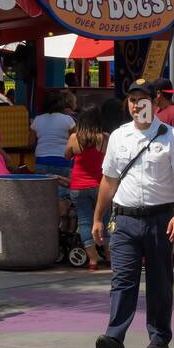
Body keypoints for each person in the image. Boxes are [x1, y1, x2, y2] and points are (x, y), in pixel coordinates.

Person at [93, 79, 174, 348]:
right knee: (122, 280)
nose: (137, 105)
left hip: (160, 219)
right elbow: (109, 179)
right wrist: (98, 217)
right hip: (124, 220)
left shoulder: (171, 136)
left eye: (142, 99)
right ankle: (114, 338)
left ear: (154, 101)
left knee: (160, 281)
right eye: (132, 100)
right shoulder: (118, 136)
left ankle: (159, 337)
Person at [66, 103, 108, 270]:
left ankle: (93, 260)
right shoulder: (105, 137)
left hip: (78, 186)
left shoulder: (74, 138)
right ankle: (110, 254)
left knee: (84, 221)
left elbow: (66, 155)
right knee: (105, 219)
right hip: (100, 185)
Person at [30, 90, 77, 231]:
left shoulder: (38, 119)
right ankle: (60, 231)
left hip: (41, 162)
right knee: (62, 195)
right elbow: (76, 141)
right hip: (63, 162)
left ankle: (44, 229)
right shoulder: (68, 120)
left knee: (44, 196)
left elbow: (30, 141)